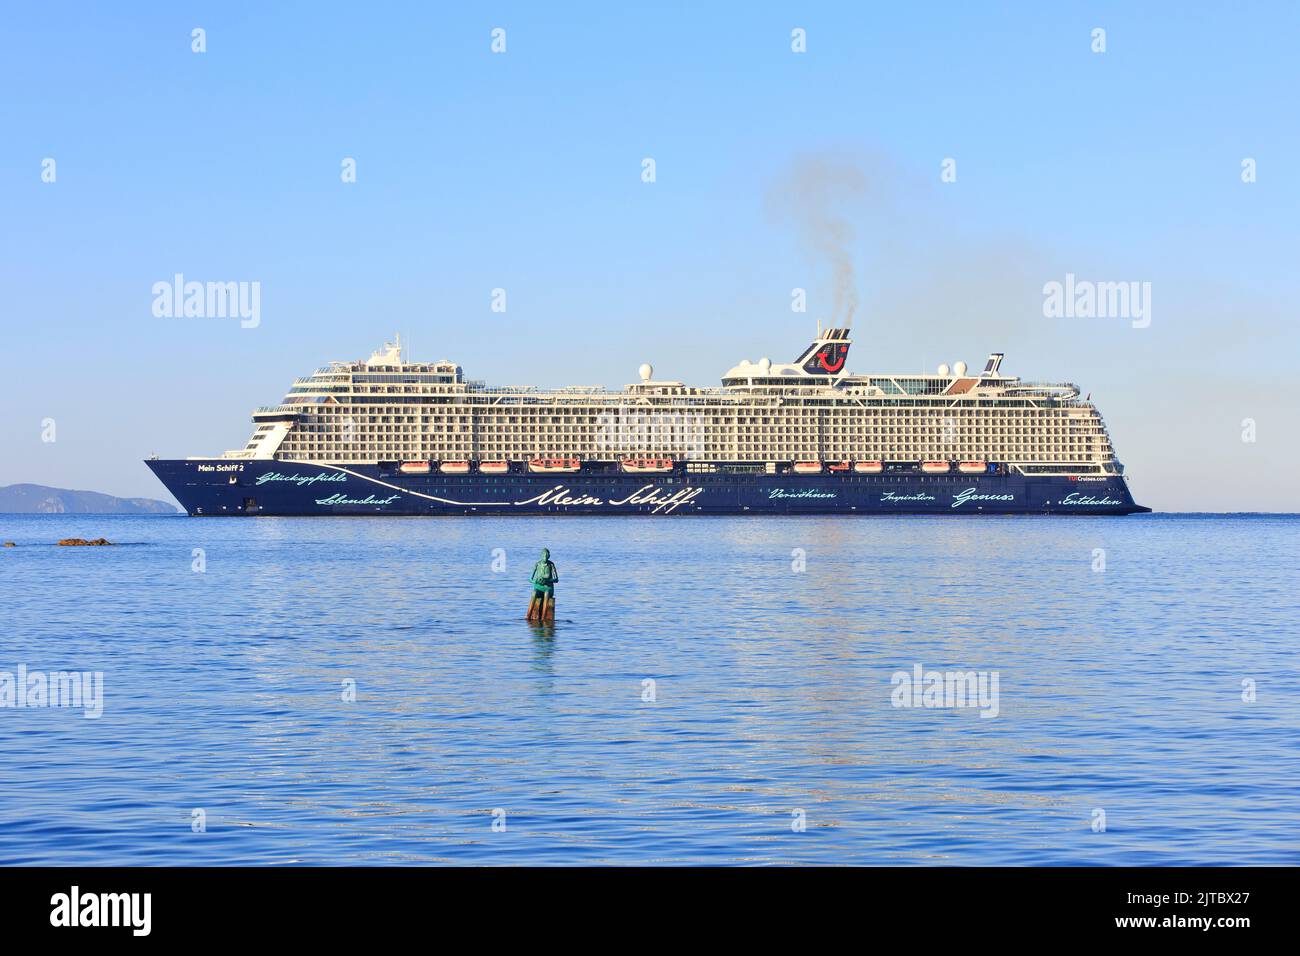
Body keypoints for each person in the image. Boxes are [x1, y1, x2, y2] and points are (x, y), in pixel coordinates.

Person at [526, 548, 559, 622]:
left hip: (548, 588)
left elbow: (556, 579)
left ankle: (543, 618)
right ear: (541, 555)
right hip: (538, 587)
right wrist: (535, 581)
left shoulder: (551, 564)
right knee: (534, 593)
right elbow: (530, 579)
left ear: (549, 556)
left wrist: (548, 580)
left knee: (546, 594)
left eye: (547, 555)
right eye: (544, 555)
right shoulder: (537, 564)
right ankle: (528, 617)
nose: (545, 557)